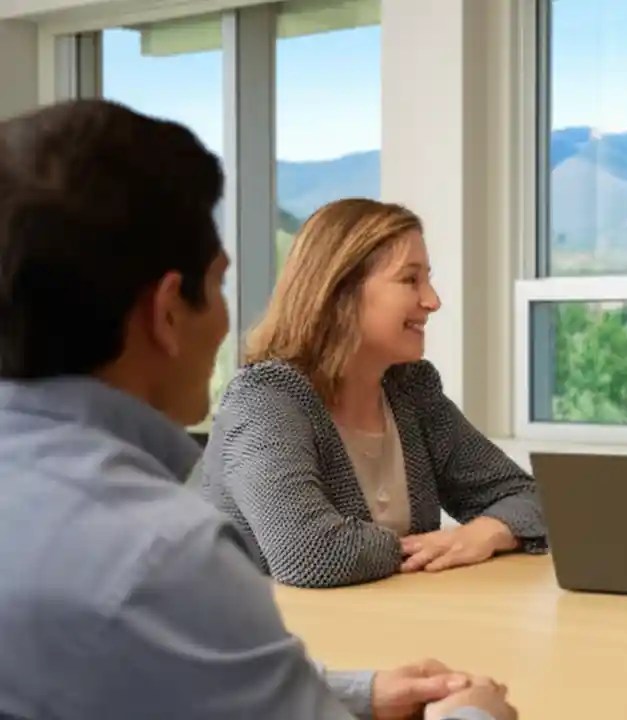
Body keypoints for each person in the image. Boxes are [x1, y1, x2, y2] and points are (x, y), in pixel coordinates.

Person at [0, 99, 515, 720]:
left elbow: (173, 674)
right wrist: (474, 715)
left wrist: (358, 693)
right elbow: (305, 555)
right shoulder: (160, 556)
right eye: (219, 284)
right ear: (167, 312)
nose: (229, 322)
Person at [199, 198, 547, 589]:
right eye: (409, 280)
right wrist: (429, 547)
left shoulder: (411, 390)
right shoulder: (265, 400)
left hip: (382, 629)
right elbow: (309, 555)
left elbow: (528, 497)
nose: (432, 301)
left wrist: (482, 533)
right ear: (339, 291)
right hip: (262, 640)